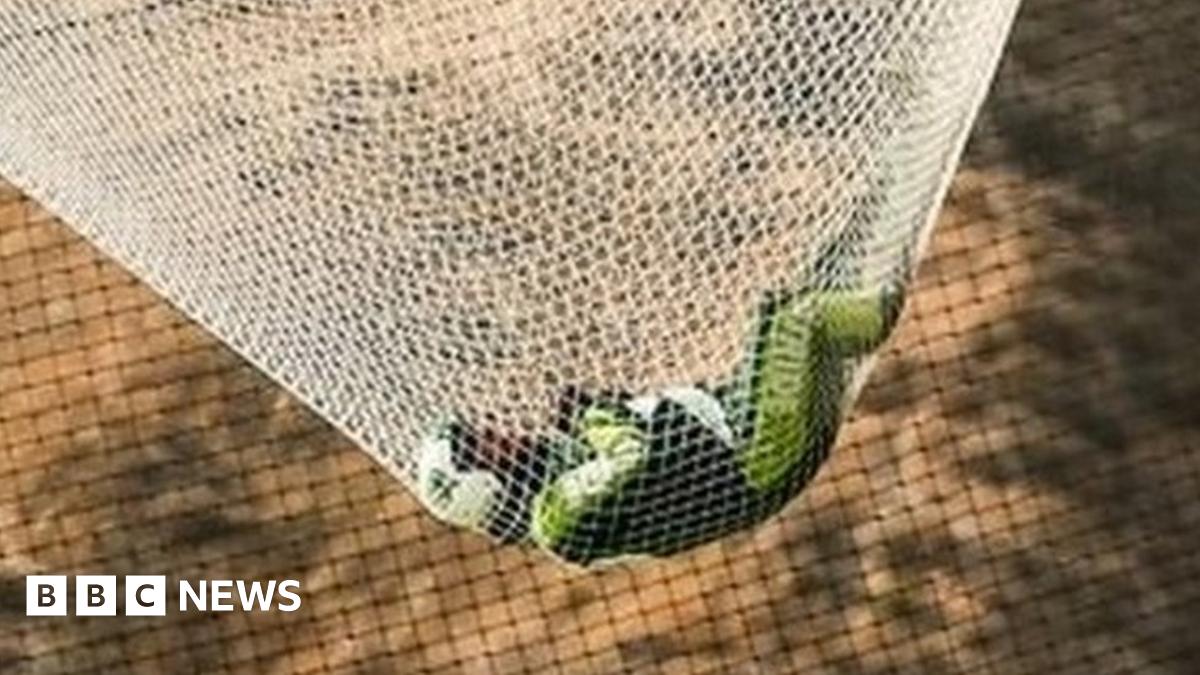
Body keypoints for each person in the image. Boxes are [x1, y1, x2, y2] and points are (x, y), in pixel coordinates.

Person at [414, 281, 906, 566]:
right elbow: (634, 456)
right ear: (487, 483)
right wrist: (592, 415)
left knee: (781, 303)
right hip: (756, 454)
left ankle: (887, 248)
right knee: (800, 322)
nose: (497, 433)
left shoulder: (556, 478)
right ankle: (900, 291)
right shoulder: (555, 518)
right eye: (483, 447)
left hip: (740, 423)